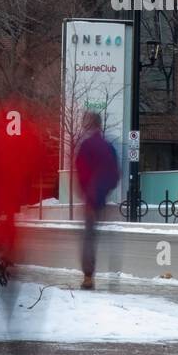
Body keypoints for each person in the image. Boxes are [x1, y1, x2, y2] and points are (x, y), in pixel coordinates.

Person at [73, 112, 119, 290]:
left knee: (89, 238)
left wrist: (88, 196)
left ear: (89, 125)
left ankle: (88, 277)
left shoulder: (86, 146)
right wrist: (104, 193)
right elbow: (114, 175)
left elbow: (82, 173)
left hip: (91, 200)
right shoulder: (109, 147)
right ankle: (112, 276)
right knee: (99, 237)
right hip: (102, 199)